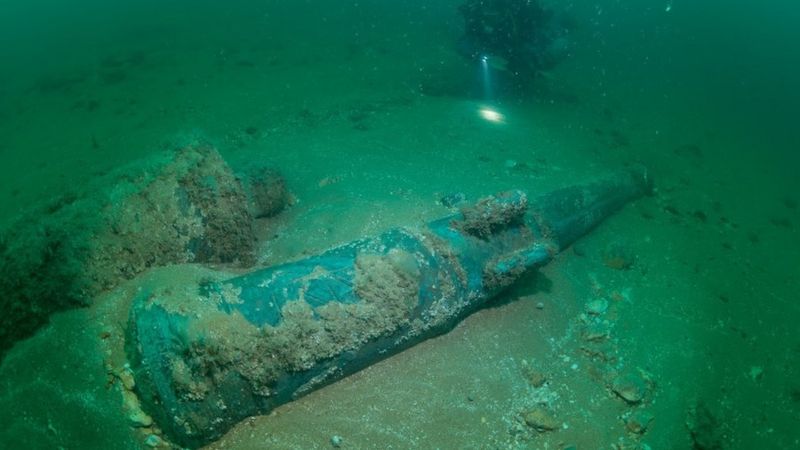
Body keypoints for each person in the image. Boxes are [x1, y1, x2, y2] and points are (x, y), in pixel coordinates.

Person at [458, 0, 571, 83]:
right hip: (491, 55)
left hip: (519, 52)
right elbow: (466, 41)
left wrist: (529, 64)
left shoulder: (522, 11)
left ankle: (529, 77)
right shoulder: (475, 12)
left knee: (561, 44)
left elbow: (535, 36)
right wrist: (478, 55)